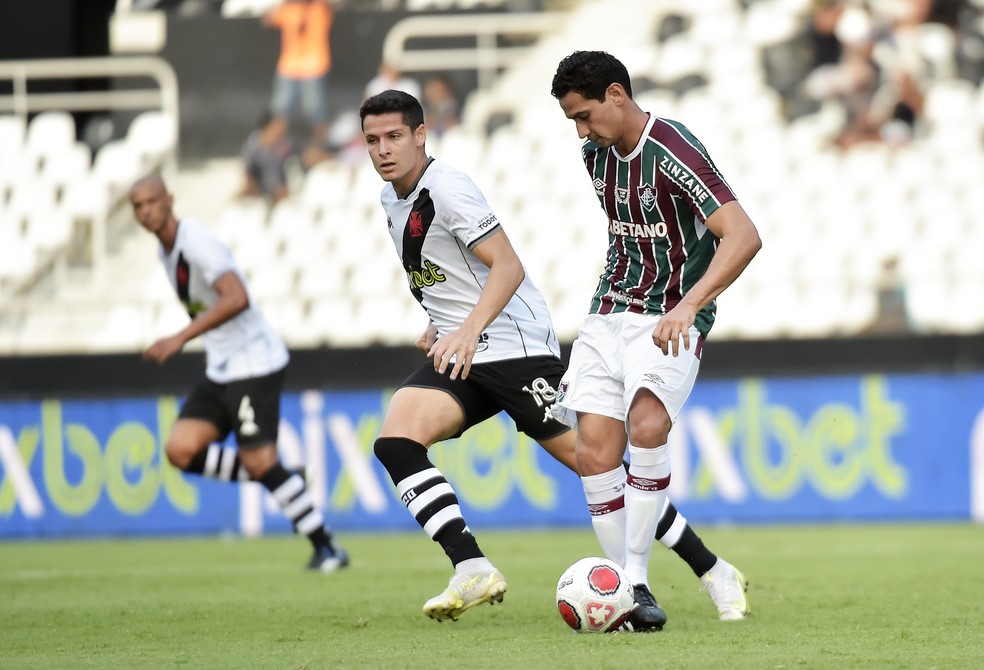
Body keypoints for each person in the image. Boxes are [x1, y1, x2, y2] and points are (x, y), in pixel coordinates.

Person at [358, 89, 747, 628]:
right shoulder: (392, 198)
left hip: (513, 349)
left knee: (597, 464)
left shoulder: (446, 189)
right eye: (372, 140)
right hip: (466, 349)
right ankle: (471, 566)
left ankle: (711, 568)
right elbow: (449, 272)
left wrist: (468, 328)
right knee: (396, 442)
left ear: (420, 135)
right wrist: (441, 321)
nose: (383, 149)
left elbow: (507, 266)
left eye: (394, 136)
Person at [549, 51, 762, 624]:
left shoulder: (671, 147)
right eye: (573, 120)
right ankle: (653, 582)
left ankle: (635, 584)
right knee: (595, 453)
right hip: (608, 311)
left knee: (646, 425)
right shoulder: (595, 154)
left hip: (670, 313)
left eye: (585, 115)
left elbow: (743, 234)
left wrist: (690, 305)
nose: (581, 131)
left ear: (617, 94)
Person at [129, 173, 348, 573]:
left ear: (170, 200)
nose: (145, 211)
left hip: (252, 361)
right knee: (180, 449)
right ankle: (287, 478)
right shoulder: (166, 251)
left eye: (151, 202)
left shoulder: (195, 240)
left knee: (260, 462)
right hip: (222, 365)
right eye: (138, 206)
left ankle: (328, 548)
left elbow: (237, 297)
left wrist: (180, 338)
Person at [263, 0, 334, 143]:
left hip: (314, 67)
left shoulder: (320, 8)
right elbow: (268, 19)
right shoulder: (289, 9)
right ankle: (271, 146)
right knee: (279, 112)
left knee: (317, 113)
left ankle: (321, 146)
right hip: (289, 68)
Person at [239, 112, 295, 204]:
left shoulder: (286, 144)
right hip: (262, 193)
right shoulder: (253, 147)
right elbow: (250, 177)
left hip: (282, 190)